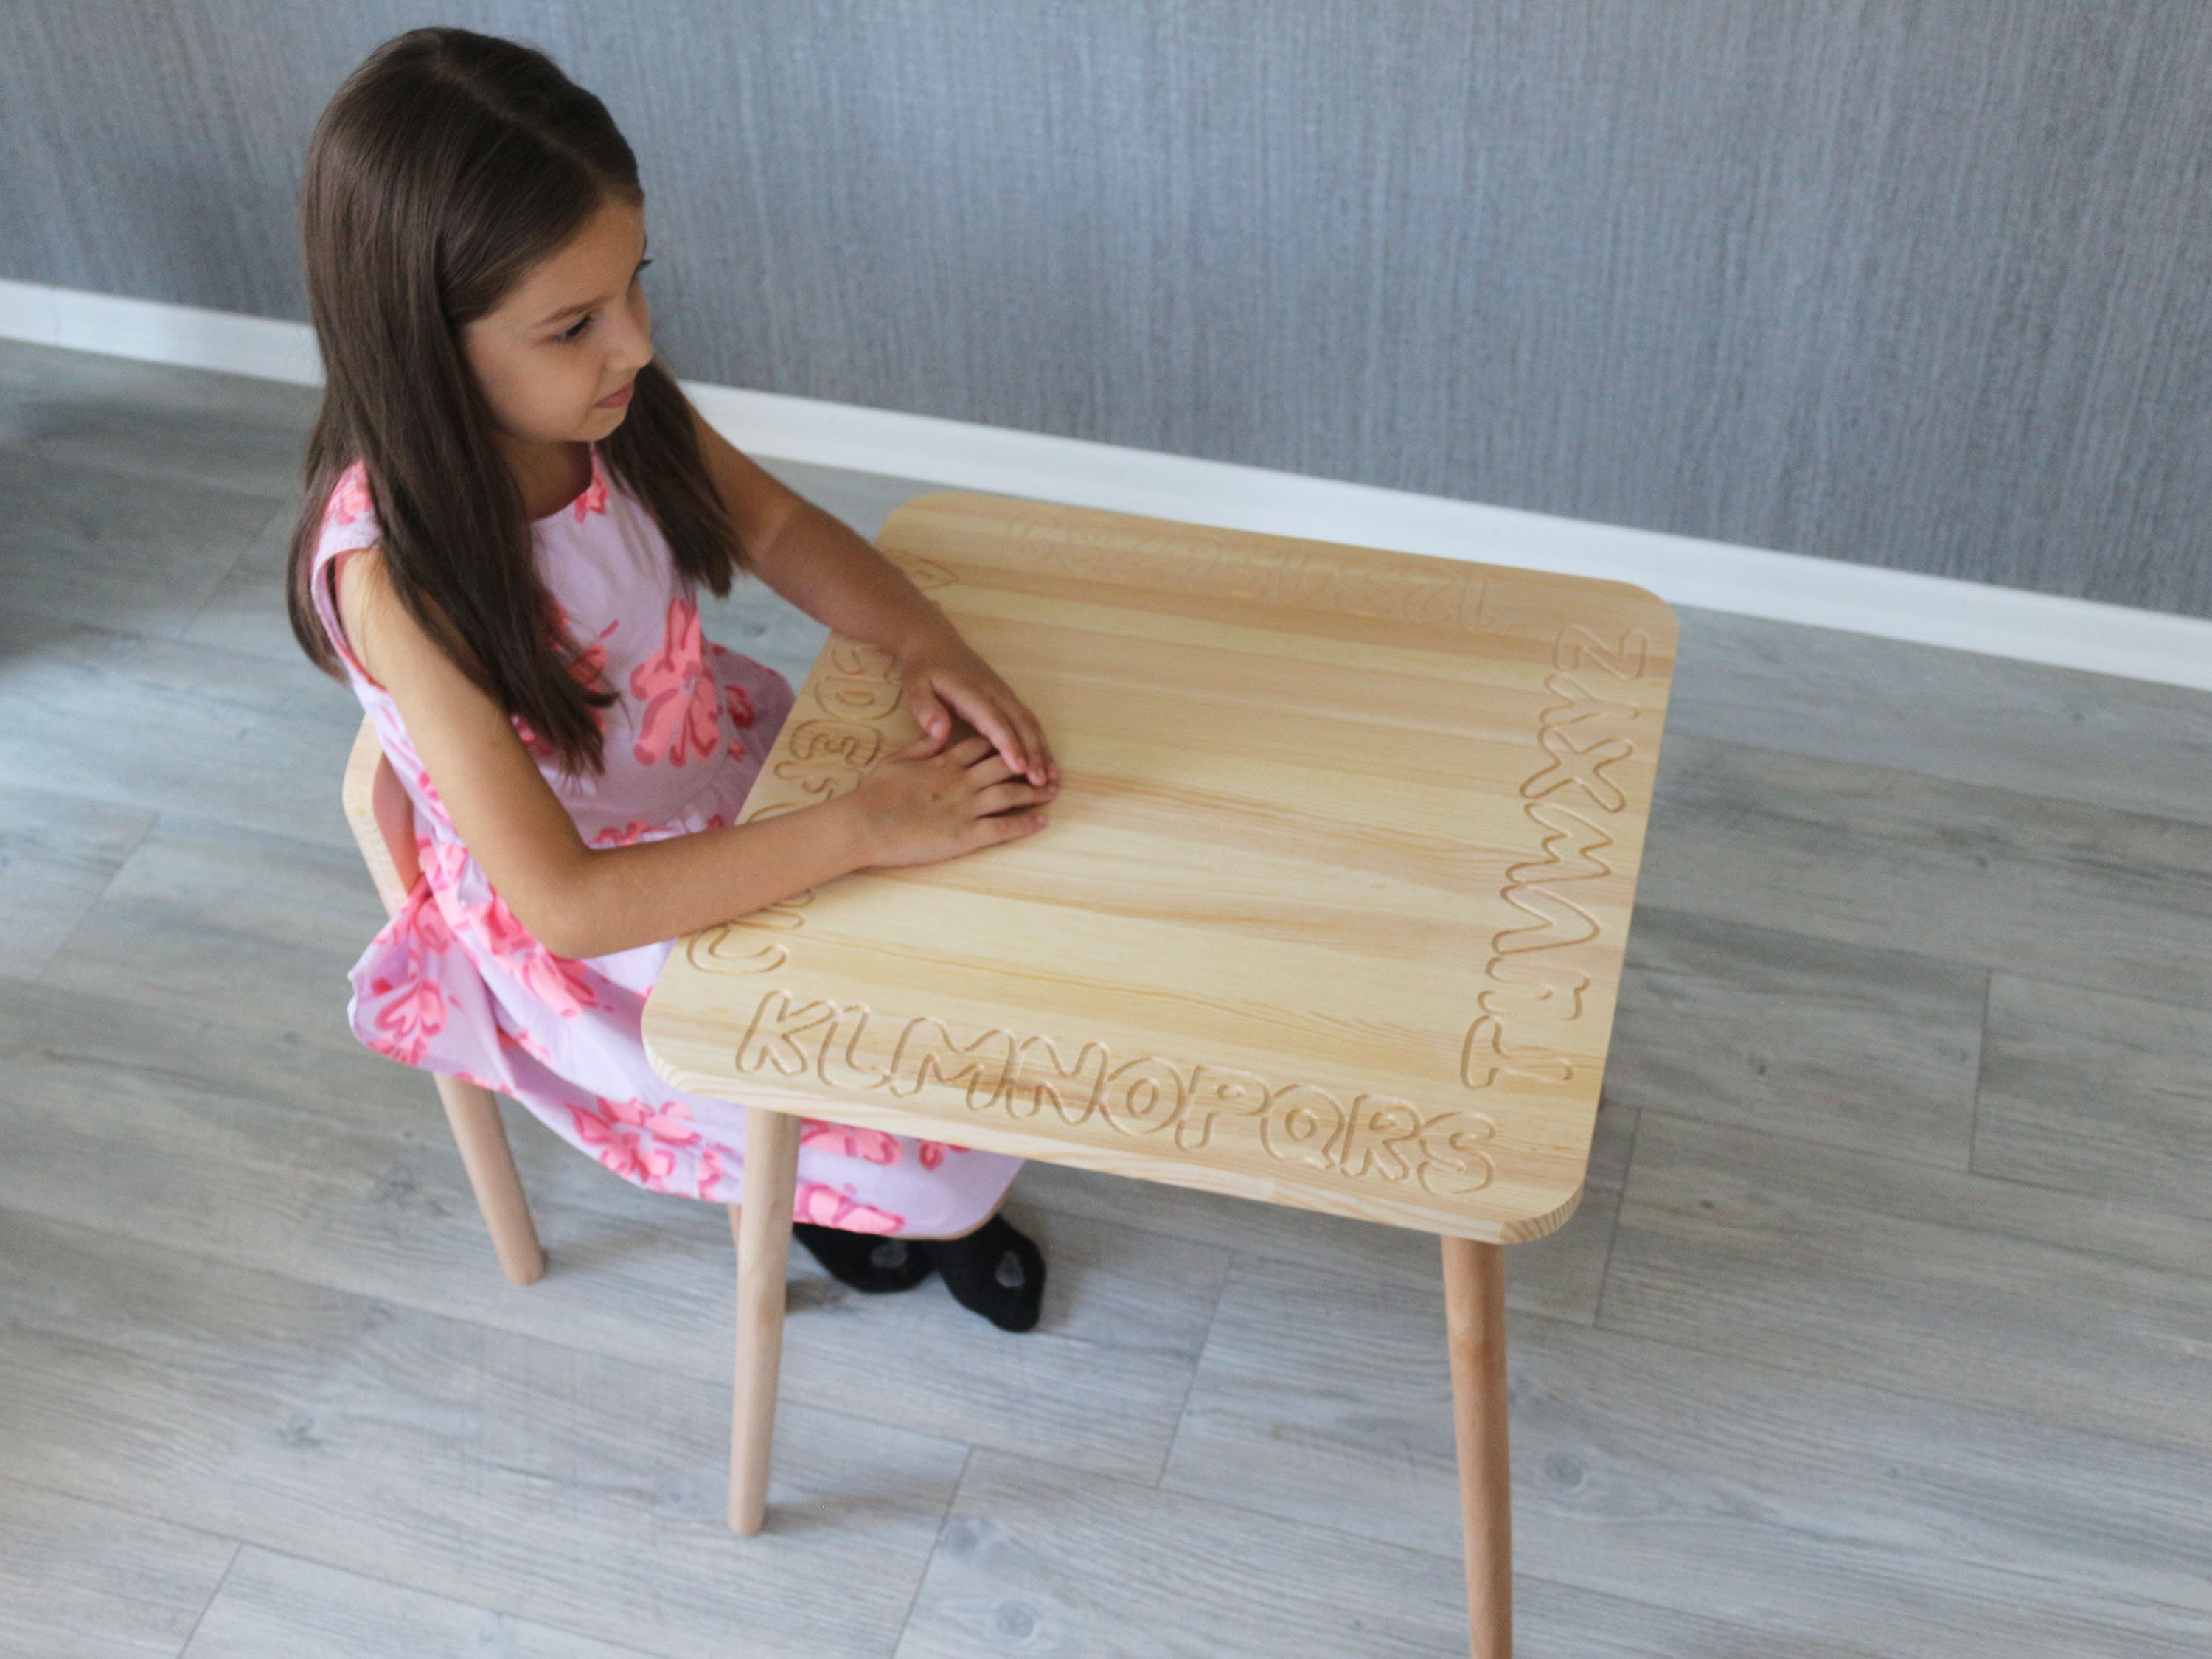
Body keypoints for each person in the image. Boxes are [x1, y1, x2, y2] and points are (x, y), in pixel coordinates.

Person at [284, 27, 1060, 1331]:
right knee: (873, 1044)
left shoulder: (606, 402)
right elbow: (569, 903)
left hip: (720, 771)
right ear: (425, 344)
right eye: (575, 324)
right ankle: (871, 1199)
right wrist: (862, 824)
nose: (636, 345)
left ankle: (904, 1195)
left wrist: (924, 639)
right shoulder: (399, 580)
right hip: (608, 920)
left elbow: (778, 525)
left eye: (633, 286)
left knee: (967, 941)